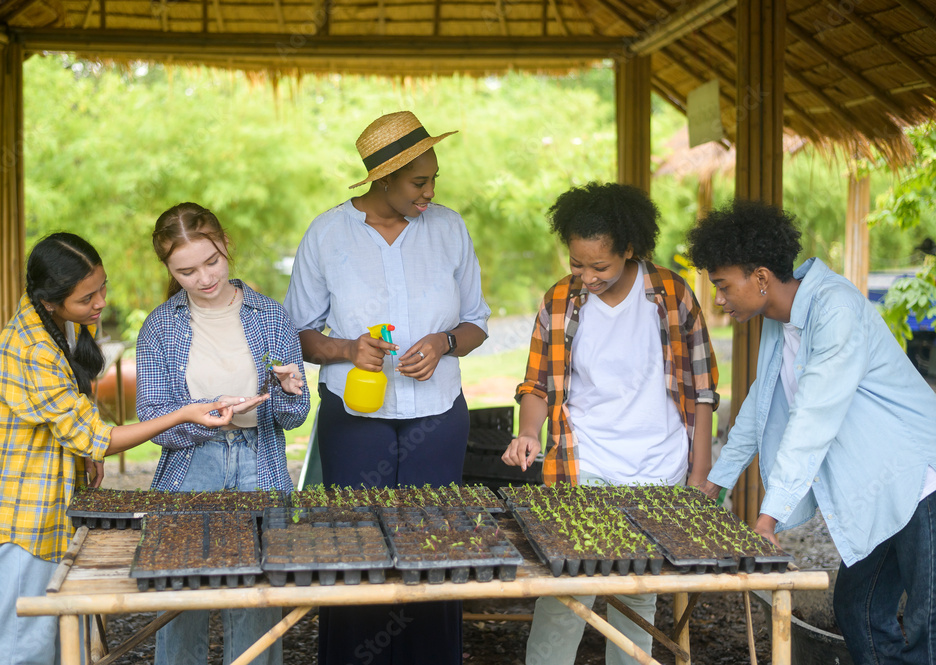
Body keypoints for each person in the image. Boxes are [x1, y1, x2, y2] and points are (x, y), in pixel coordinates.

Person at [686, 199, 936, 665]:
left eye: (722, 286)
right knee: (858, 609)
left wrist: (768, 519)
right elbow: (759, 410)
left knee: (928, 625)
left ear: (761, 278)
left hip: (920, 479)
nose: (718, 299)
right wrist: (714, 484)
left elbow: (813, 419)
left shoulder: (834, 308)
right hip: (882, 489)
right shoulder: (780, 323)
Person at [284, 110, 491, 665]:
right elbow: (297, 336)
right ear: (383, 177)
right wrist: (348, 349)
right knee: (354, 547)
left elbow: (476, 320)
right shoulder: (327, 235)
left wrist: (445, 343)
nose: (429, 192)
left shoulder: (449, 228)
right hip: (355, 418)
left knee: (434, 547)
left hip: (438, 414)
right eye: (418, 182)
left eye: (433, 180)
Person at [0, 232, 235, 665]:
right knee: (25, 647)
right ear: (50, 300)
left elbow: (72, 425)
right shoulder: (28, 351)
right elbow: (97, 436)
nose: (99, 303)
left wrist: (85, 456)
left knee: (66, 641)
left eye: (102, 288)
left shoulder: (57, 326)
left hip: (55, 510)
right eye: (86, 298)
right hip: (24, 520)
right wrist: (183, 413)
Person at [502, 182, 719, 665]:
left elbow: (702, 392)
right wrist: (528, 433)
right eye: (577, 264)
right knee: (566, 588)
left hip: (658, 467)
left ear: (629, 249)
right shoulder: (559, 301)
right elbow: (537, 383)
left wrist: (700, 476)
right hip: (584, 464)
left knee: (636, 595)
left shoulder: (671, 294)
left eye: (599, 266)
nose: (586, 276)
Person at [136, 203, 310, 665]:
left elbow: (293, 417)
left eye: (211, 262)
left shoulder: (270, 315)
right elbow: (155, 421)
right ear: (170, 270)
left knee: (255, 604)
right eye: (186, 271)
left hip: (260, 463)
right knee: (179, 606)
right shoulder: (159, 327)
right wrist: (196, 418)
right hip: (192, 468)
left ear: (226, 245)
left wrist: (290, 390)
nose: (204, 278)